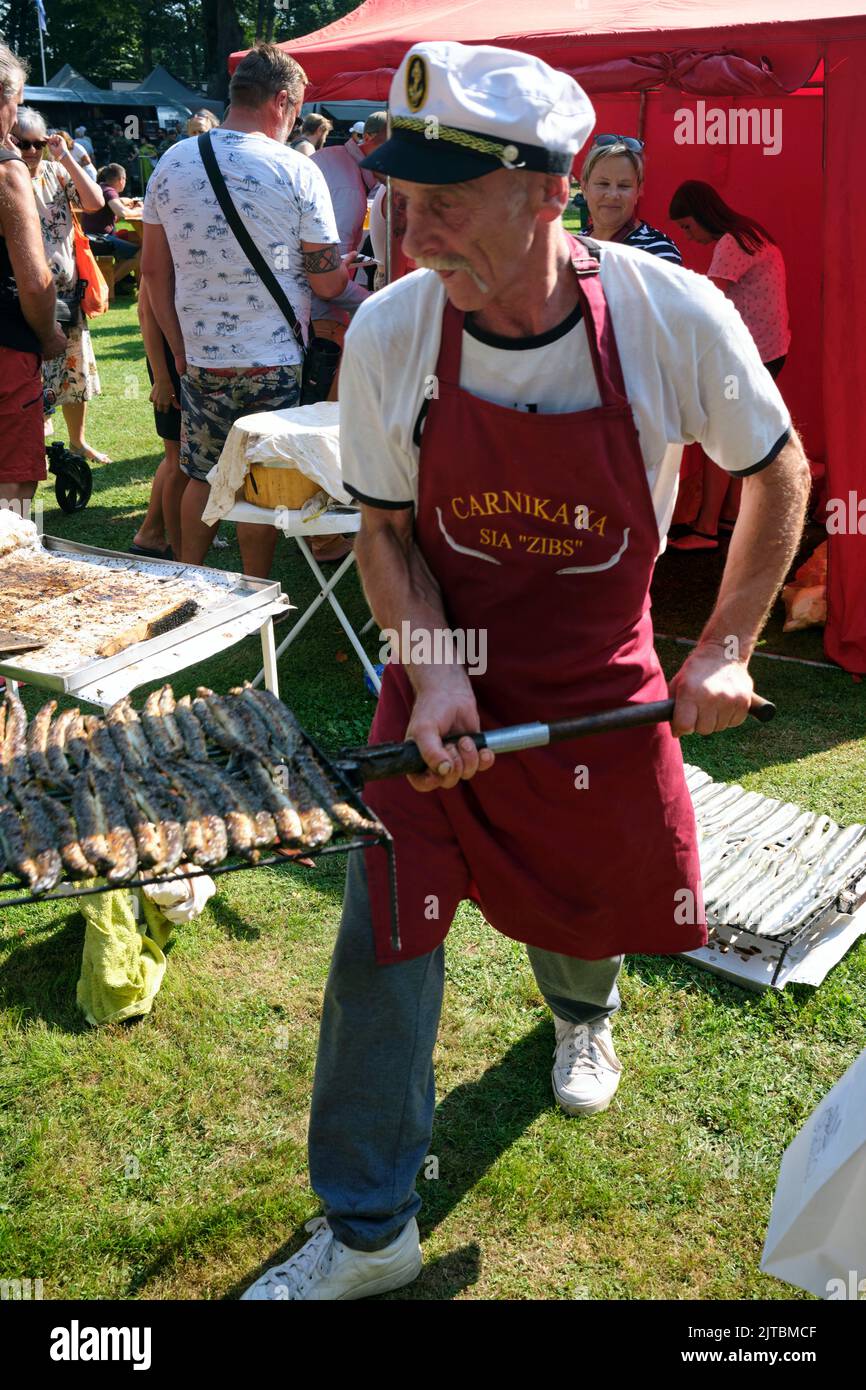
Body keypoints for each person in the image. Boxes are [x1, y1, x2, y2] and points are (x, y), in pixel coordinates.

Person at [240, 40, 811, 1301]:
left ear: (546, 192)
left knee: (586, 892)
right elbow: (385, 532)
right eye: (397, 187)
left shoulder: (668, 315)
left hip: (590, 673)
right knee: (384, 932)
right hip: (443, 656)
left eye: (444, 192)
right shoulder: (392, 332)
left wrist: (721, 644)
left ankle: (581, 1012)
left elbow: (779, 471)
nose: (406, 218)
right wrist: (436, 675)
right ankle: (372, 1227)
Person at [141, 43, 366, 577]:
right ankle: (254, 589)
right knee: (258, 476)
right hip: (274, 355)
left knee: (203, 473)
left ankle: (190, 578)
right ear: (283, 102)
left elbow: (154, 273)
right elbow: (326, 279)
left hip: (200, 356)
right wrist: (346, 270)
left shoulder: (172, 160)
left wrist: (178, 351)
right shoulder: (296, 169)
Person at [668, 180, 792, 550]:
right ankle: (729, 515)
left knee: (720, 434)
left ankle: (706, 529)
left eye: (688, 226)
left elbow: (708, 301)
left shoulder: (731, 242)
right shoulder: (748, 233)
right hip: (771, 350)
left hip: (752, 353)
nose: (688, 237)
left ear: (704, 215)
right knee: (738, 430)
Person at [12, 107, 111, 465]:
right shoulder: (8, 176)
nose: (32, 151)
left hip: (67, 291)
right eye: (24, 144)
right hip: (22, 293)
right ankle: (29, 446)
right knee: (28, 373)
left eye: (38, 143)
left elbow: (96, 203)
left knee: (74, 372)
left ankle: (77, 441)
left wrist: (65, 156)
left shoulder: (56, 170)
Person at [0, 44, 67, 511]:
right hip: (6, 350)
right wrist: (48, 335)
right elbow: (35, 279)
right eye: (17, 102)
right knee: (11, 496)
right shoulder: (7, 170)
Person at [130, 278, 186, 558]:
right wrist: (162, 378)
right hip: (171, 367)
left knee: (180, 459)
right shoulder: (164, 236)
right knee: (179, 460)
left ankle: (153, 533)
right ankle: (176, 549)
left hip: (183, 361)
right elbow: (145, 312)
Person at [580, 134, 682, 263]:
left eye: (624, 185)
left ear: (638, 191)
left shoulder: (656, 251)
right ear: (584, 187)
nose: (613, 195)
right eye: (603, 184)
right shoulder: (573, 245)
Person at [81, 162, 142, 290]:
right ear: (121, 180)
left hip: (91, 237)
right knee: (141, 253)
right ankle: (106, 284)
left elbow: (110, 215)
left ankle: (121, 283)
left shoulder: (100, 188)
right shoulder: (109, 191)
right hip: (98, 239)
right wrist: (140, 211)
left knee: (134, 238)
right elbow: (123, 213)